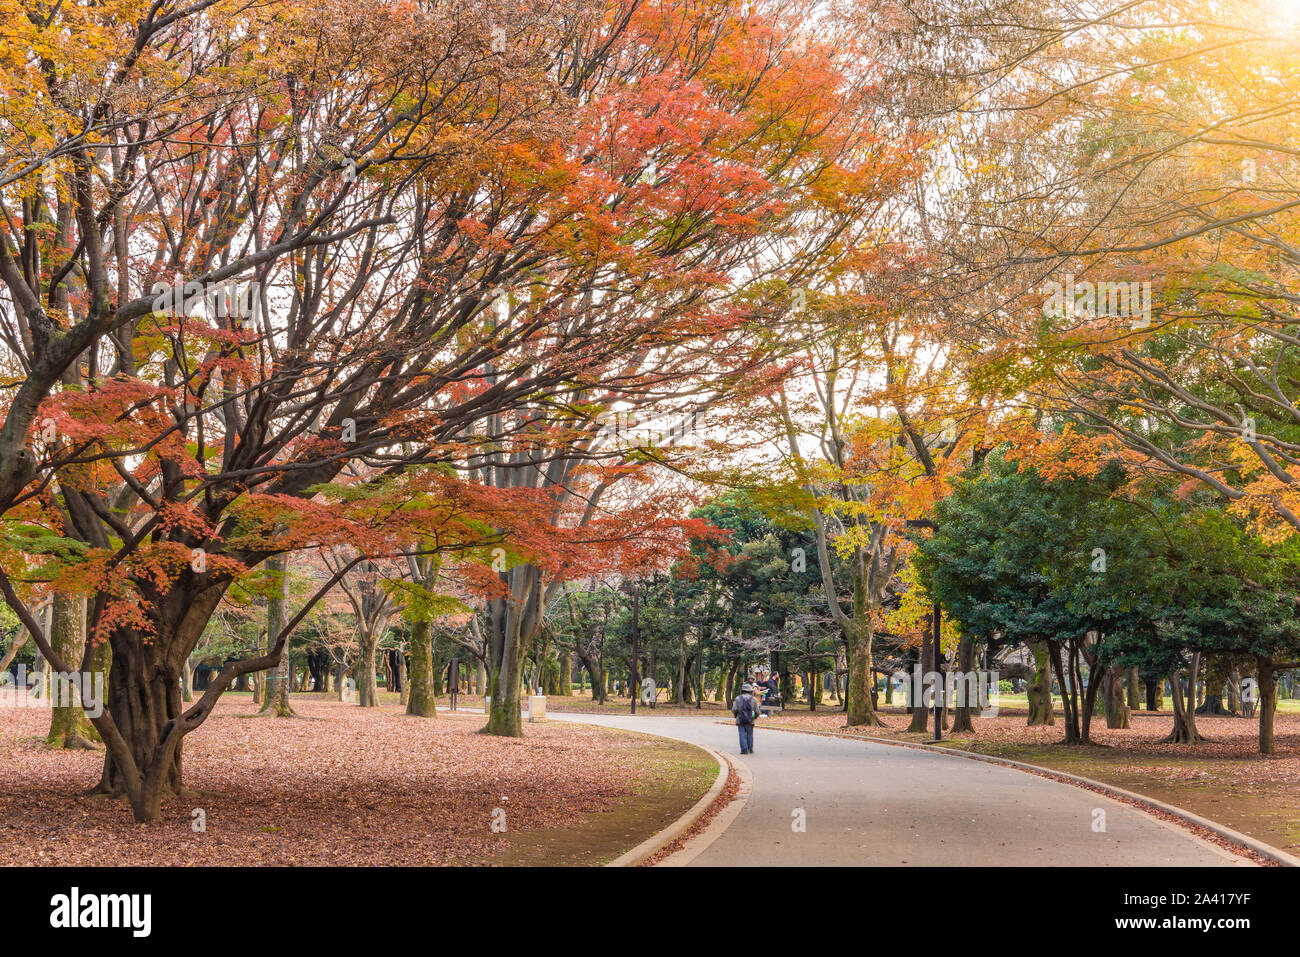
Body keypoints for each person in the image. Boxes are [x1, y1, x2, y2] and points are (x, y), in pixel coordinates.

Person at [732, 682, 759, 754]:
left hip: (740, 719)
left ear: (742, 691)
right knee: (750, 734)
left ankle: (744, 750)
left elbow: (734, 709)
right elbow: (757, 711)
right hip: (750, 720)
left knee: (742, 734)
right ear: (750, 691)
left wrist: (736, 715)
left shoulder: (737, 699)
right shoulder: (754, 699)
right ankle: (750, 749)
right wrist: (754, 717)